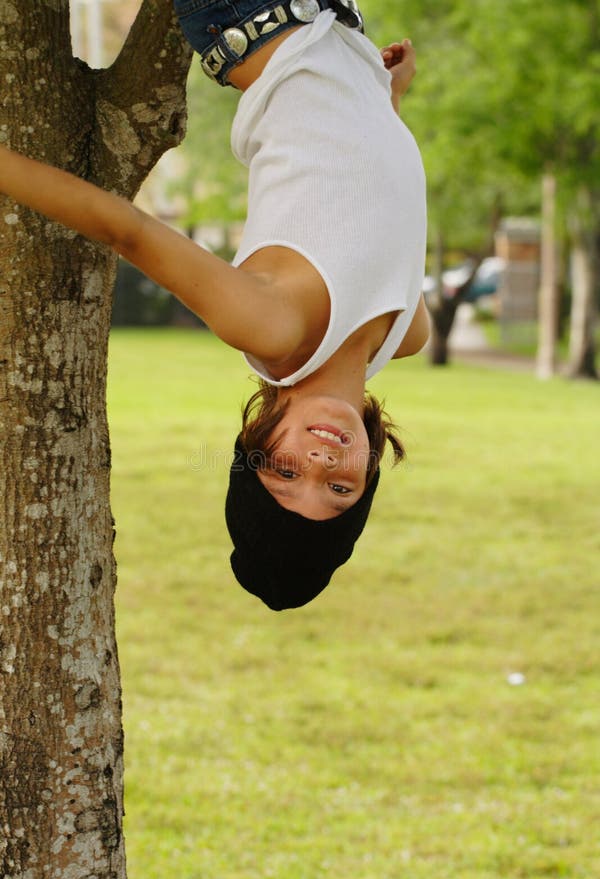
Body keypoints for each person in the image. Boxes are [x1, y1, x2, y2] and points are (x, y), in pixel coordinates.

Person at [0, 0, 428, 611]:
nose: (319, 458)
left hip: (255, 16)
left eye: (282, 473)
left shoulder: (272, 328)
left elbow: (128, 230)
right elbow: (383, 198)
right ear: (368, 477)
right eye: (338, 486)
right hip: (339, 32)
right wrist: (385, 98)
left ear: (254, 441)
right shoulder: (407, 331)